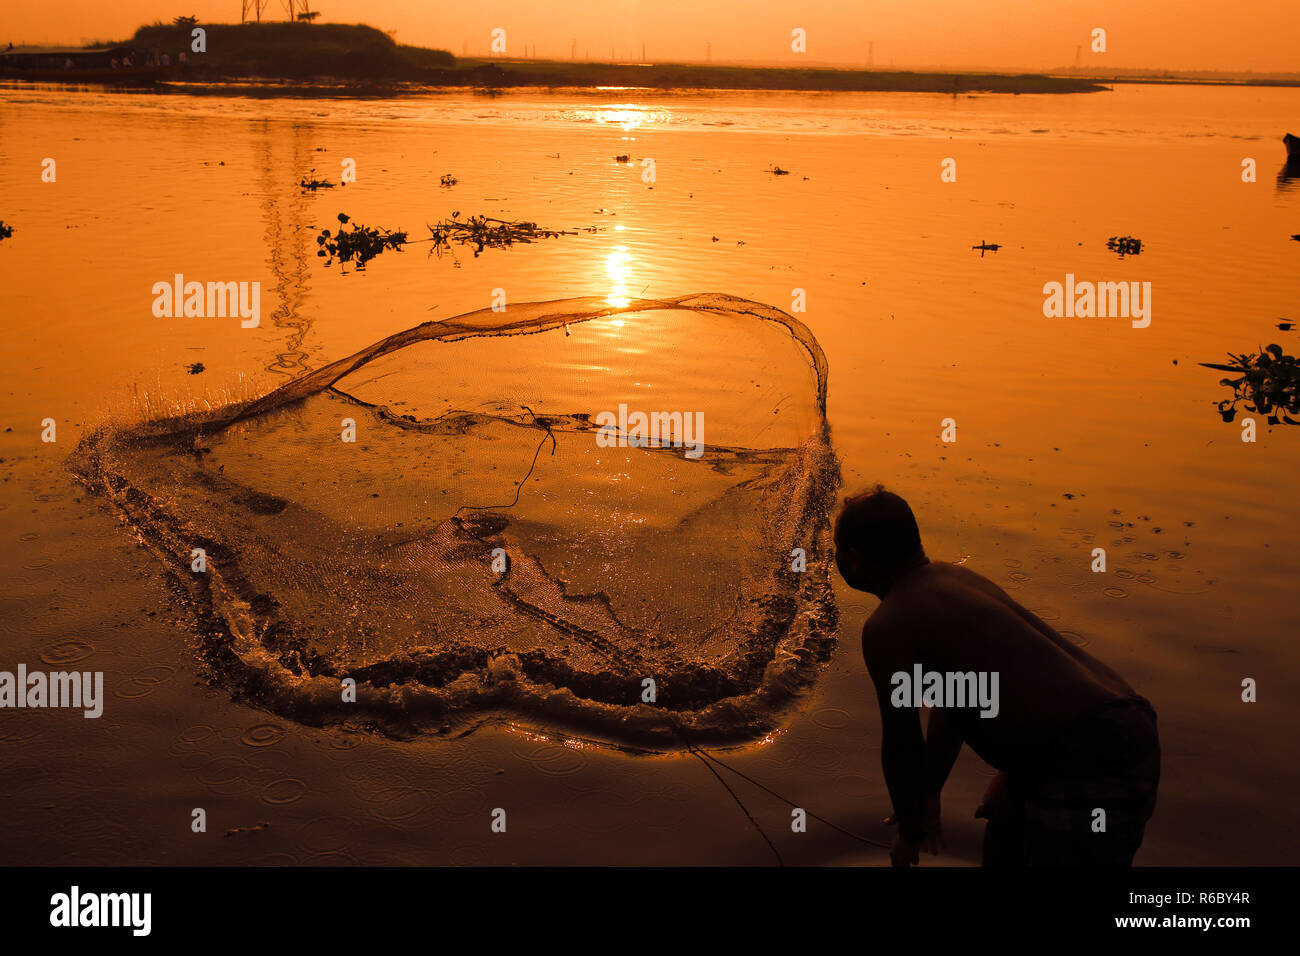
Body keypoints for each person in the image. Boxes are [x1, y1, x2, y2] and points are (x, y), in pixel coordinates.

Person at [834, 485, 1159, 867]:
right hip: (1118, 726)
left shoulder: (888, 625)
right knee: (1004, 839)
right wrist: (929, 795)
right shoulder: (954, 579)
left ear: (853, 559)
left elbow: (902, 742)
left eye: (836, 549)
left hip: (1087, 750)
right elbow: (953, 704)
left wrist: (909, 833)